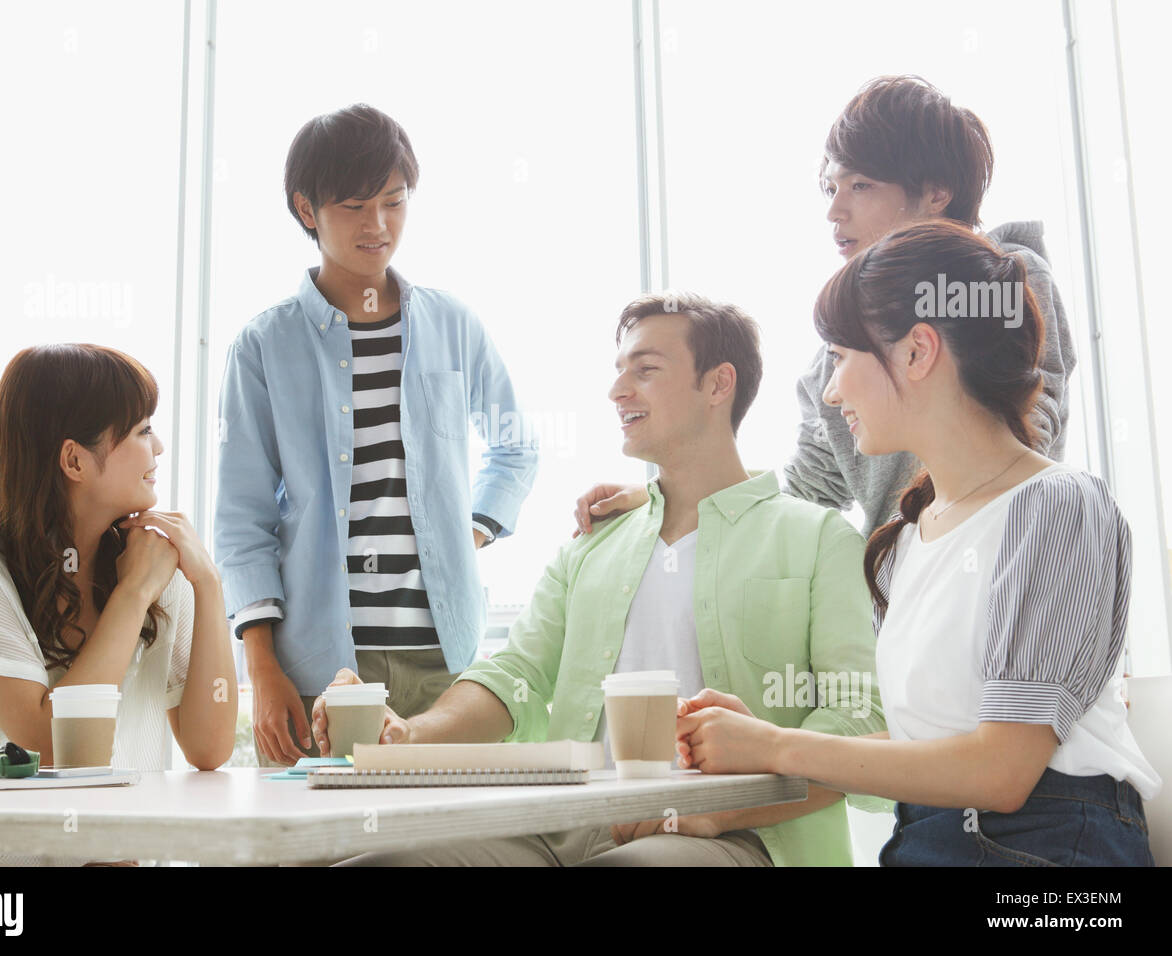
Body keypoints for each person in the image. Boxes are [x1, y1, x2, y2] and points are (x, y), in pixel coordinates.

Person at [315, 292, 887, 866]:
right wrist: (406, 737)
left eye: (645, 370)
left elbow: (860, 718)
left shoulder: (819, 541)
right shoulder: (594, 543)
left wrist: (727, 803)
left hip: (737, 837)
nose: (618, 391)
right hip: (562, 826)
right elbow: (517, 676)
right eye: (618, 373)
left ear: (718, 385)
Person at [676, 221, 1159, 866]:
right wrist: (736, 805)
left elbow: (1000, 772)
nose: (830, 389)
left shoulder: (1058, 508)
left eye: (842, 357)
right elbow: (921, 756)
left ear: (917, 351)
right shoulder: (904, 541)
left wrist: (773, 745)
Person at [573, 75, 1076, 537]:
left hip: (1007, 556)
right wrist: (665, 499)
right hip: (901, 588)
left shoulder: (1007, 275)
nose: (835, 210)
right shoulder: (837, 360)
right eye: (831, 188)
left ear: (936, 193)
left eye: (860, 186)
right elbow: (807, 486)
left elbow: (1030, 423)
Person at [214, 104, 538, 767]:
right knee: (324, 845)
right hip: (319, 663)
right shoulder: (263, 346)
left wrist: (464, 530)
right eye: (355, 206)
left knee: (439, 842)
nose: (378, 225)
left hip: (443, 657)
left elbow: (514, 446)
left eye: (394, 202)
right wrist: (263, 670)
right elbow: (242, 520)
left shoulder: (452, 324)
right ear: (307, 210)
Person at [0, 344, 236, 866]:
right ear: (74, 459)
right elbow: (53, 744)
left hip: (91, 854)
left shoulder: (150, 562)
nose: (158, 447)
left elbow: (209, 747)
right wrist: (132, 597)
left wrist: (207, 582)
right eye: (140, 431)